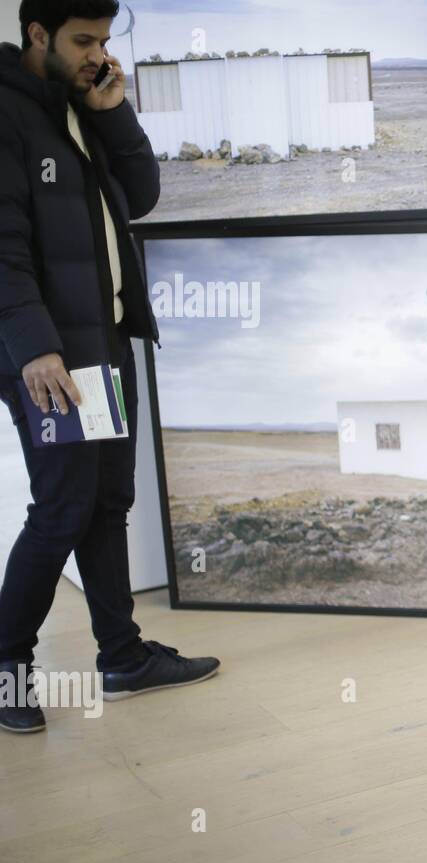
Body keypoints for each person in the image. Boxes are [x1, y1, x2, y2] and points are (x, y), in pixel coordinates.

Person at [0, 0, 219, 734]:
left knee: (105, 503)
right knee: (62, 506)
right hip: (49, 359)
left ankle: (122, 655)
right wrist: (34, 347)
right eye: (82, 40)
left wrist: (113, 112)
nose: (98, 53)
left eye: (103, 40)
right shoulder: (6, 112)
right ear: (38, 34)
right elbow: (3, 246)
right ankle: (5, 665)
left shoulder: (78, 103)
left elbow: (143, 197)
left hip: (102, 347)